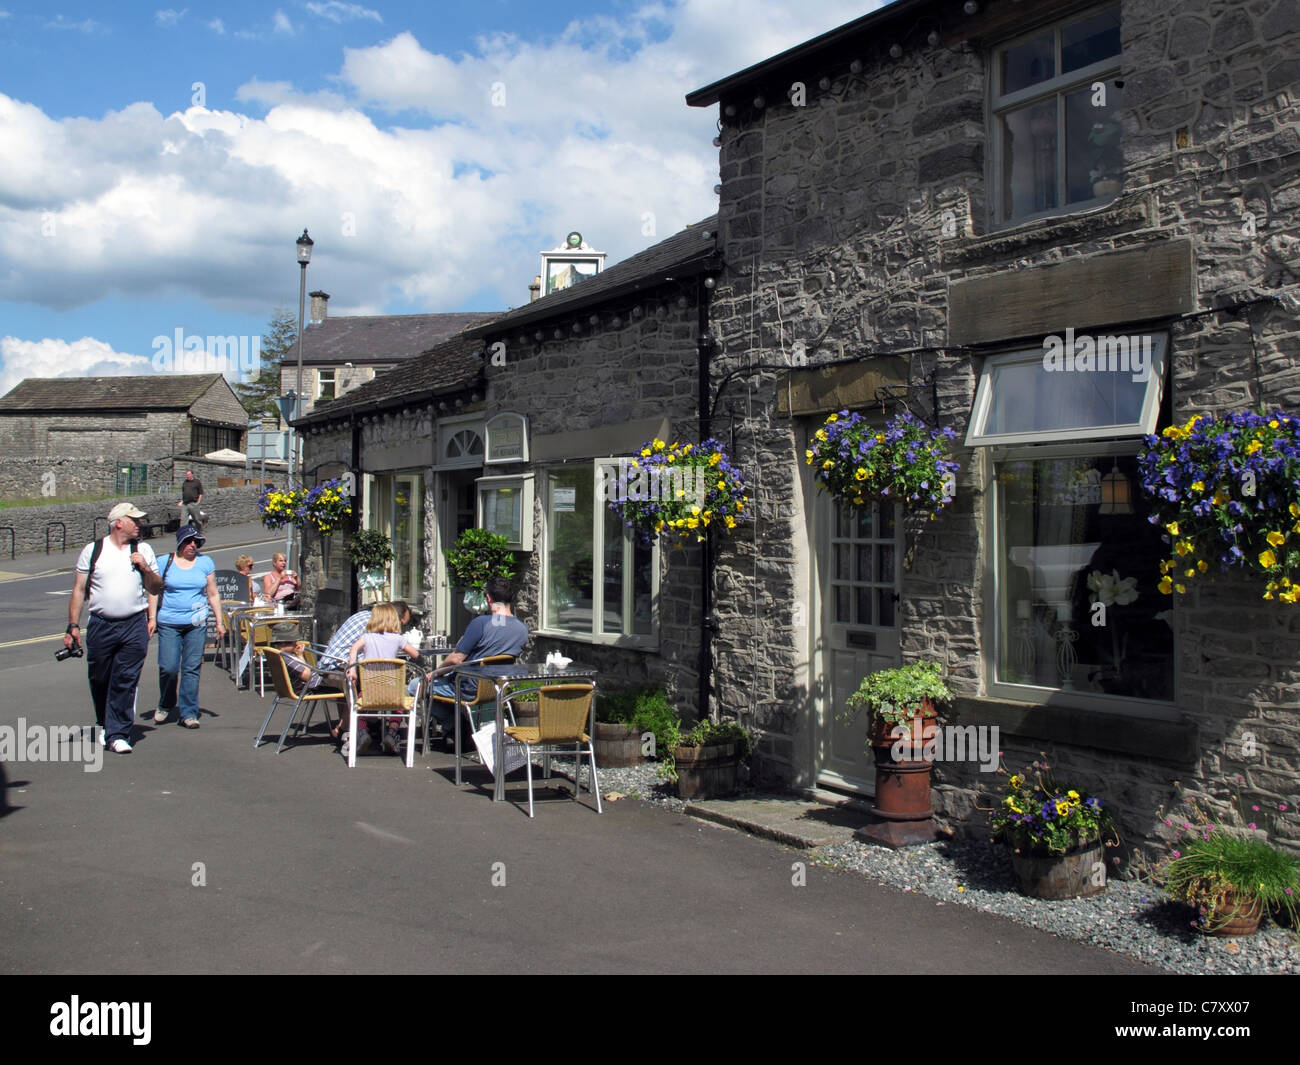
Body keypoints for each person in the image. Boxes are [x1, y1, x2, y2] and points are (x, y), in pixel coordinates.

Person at [64, 502, 165, 754]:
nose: (140, 524)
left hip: (133, 624)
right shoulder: (93, 550)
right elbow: (78, 590)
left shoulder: (143, 549)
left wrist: (145, 567)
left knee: (125, 679)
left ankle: (118, 733)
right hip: (101, 624)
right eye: (135, 520)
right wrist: (73, 625)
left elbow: (155, 587)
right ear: (119, 522)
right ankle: (104, 722)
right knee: (100, 678)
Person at [422, 577, 529, 744]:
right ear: (512, 598)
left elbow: (456, 659)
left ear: (488, 598)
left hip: (469, 687)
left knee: (417, 686)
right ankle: (460, 725)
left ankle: (456, 725)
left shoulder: (480, 623)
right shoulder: (522, 629)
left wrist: (435, 673)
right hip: (497, 688)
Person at [149, 524, 226, 729]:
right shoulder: (164, 561)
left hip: (196, 623)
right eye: (189, 541)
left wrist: (219, 621)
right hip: (169, 622)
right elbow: (153, 591)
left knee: (191, 668)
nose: (193, 545)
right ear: (180, 543)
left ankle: (189, 712)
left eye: (196, 542)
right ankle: (166, 703)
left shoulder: (205, 562)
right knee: (169, 667)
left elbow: (213, 593)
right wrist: (151, 618)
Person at [345, 603, 421, 756]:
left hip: (370, 690)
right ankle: (392, 733)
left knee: (357, 706)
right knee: (400, 706)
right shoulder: (398, 639)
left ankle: (362, 732)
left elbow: (353, 648)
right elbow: (415, 654)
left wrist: (352, 669)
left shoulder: (366, 637)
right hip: (392, 691)